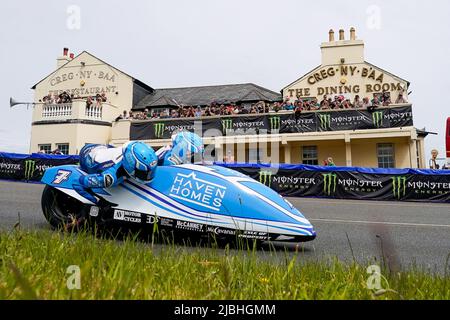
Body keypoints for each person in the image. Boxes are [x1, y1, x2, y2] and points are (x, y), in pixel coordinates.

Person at [78, 141, 158, 198]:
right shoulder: (110, 178)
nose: (149, 175)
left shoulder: (129, 151)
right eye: (143, 173)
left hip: (106, 148)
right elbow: (80, 181)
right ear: (130, 166)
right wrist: (96, 200)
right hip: (87, 154)